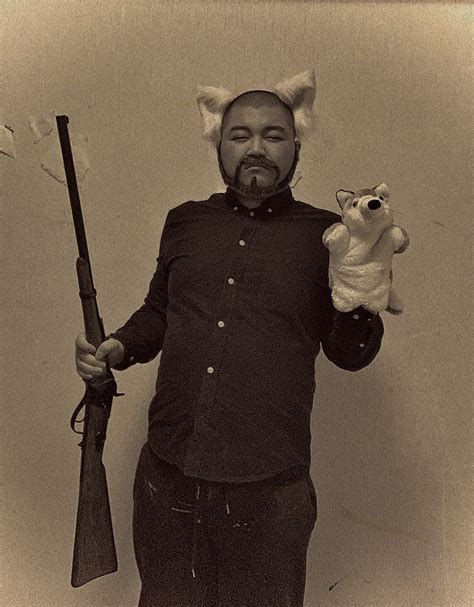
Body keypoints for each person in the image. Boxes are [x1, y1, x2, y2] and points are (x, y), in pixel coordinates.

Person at [75, 70, 384, 606]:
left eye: (273, 135)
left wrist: (363, 292)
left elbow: (350, 354)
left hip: (271, 490)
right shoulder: (184, 222)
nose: (256, 148)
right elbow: (159, 311)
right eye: (240, 135)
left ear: (296, 145)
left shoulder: (331, 237)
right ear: (219, 145)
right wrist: (117, 347)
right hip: (167, 476)